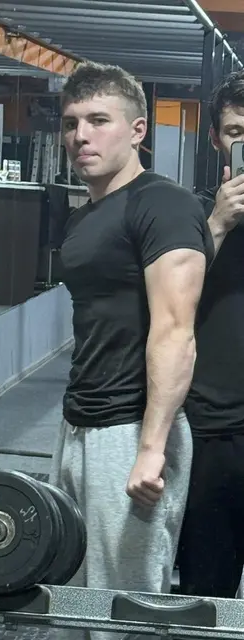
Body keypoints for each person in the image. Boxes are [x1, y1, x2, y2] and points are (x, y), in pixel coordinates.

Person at [49, 61, 215, 640]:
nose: (81, 136)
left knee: (123, 611)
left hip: (130, 430)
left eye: (99, 120)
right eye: (71, 123)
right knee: (68, 600)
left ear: (138, 129)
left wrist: (151, 448)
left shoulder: (163, 205)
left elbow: (175, 331)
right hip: (79, 423)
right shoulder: (83, 217)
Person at [178, 70, 244, 600]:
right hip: (214, 428)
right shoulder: (192, 213)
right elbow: (169, 299)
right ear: (217, 138)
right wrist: (219, 224)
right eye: (236, 131)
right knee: (208, 587)